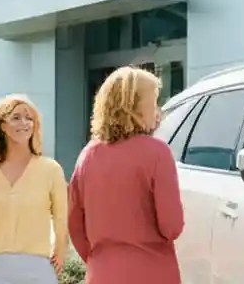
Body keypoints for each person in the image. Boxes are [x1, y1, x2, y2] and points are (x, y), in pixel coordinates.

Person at [69, 67, 183, 284]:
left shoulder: (88, 155)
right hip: (152, 272)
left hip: (102, 273)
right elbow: (172, 226)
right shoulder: (157, 153)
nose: (157, 111)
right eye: (154, 102)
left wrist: (100, 259)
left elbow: (75, 224)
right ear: (136, 106)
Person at [0, 95, 69, 284]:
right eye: (16, 117)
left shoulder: (51, 170)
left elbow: (61, 219)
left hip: (37, 269)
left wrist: (60, 253)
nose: (24, 123)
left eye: (29, 118)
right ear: (2, 126)